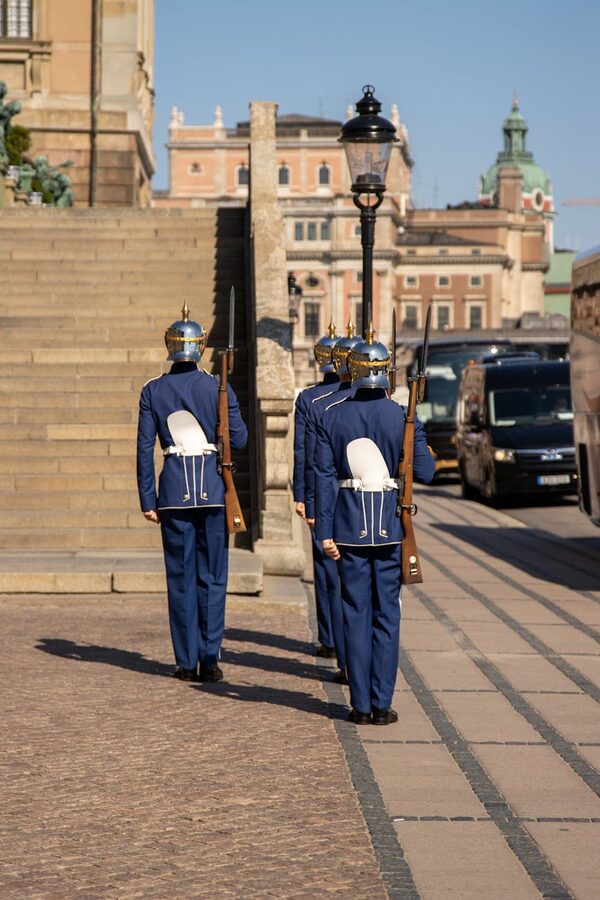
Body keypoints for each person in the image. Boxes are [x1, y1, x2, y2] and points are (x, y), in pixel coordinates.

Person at [314, 326, 435, 724]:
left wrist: (324, 533)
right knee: (386, 615)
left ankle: (360, 705)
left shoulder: (332, 416)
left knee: (354, 613)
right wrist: (418, 435)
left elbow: (323, 477)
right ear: (385, 371)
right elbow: (427, 472)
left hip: (348, 528)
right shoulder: (400, 417)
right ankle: (382, 704)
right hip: (388, 528)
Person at [136, 302, 248, 682]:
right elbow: (240, 439)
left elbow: (144, 449)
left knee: (180, 576)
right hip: (213, 491)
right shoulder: (216, 386)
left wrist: (147, 498)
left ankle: (186, 661)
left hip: (172, 491)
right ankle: (209, 657)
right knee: (213, 576)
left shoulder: (153, 389)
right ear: (200, 347)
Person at [303, 319, 362, 682]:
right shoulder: (317, 402)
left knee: (344, 587)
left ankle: (343, 652)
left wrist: (309, 500)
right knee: (342, 586)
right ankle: (337, 647)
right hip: (360, 508)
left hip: (340, 502)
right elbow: (307, 456)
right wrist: (304, 497)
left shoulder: (324, 405)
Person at [292, 320, 340, 659]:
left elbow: (303, 452)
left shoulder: (311, 398)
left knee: (325, 569)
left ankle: (329, 636)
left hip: (320, 491)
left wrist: (302, 496)